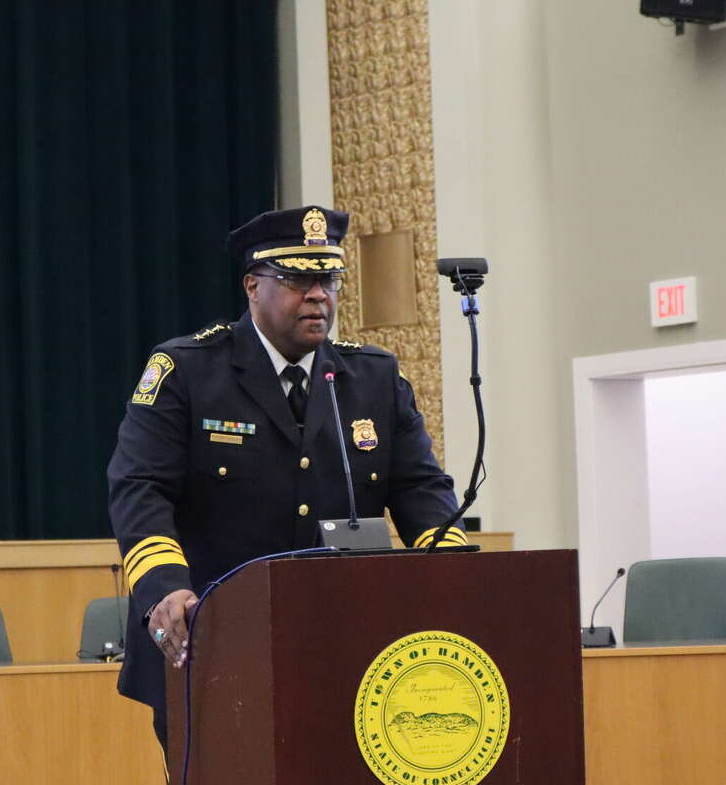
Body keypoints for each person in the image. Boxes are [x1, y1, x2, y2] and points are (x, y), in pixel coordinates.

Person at [106, 205, 465, 750]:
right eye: (299, 279)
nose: (319, 294)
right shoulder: (188, 371)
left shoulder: (371, 377)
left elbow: (419, 487)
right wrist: (164, 589)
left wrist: (453, 569)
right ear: (253, 286)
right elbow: (140, 487)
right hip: (214, 639)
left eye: (329, 279)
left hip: (346, 641)